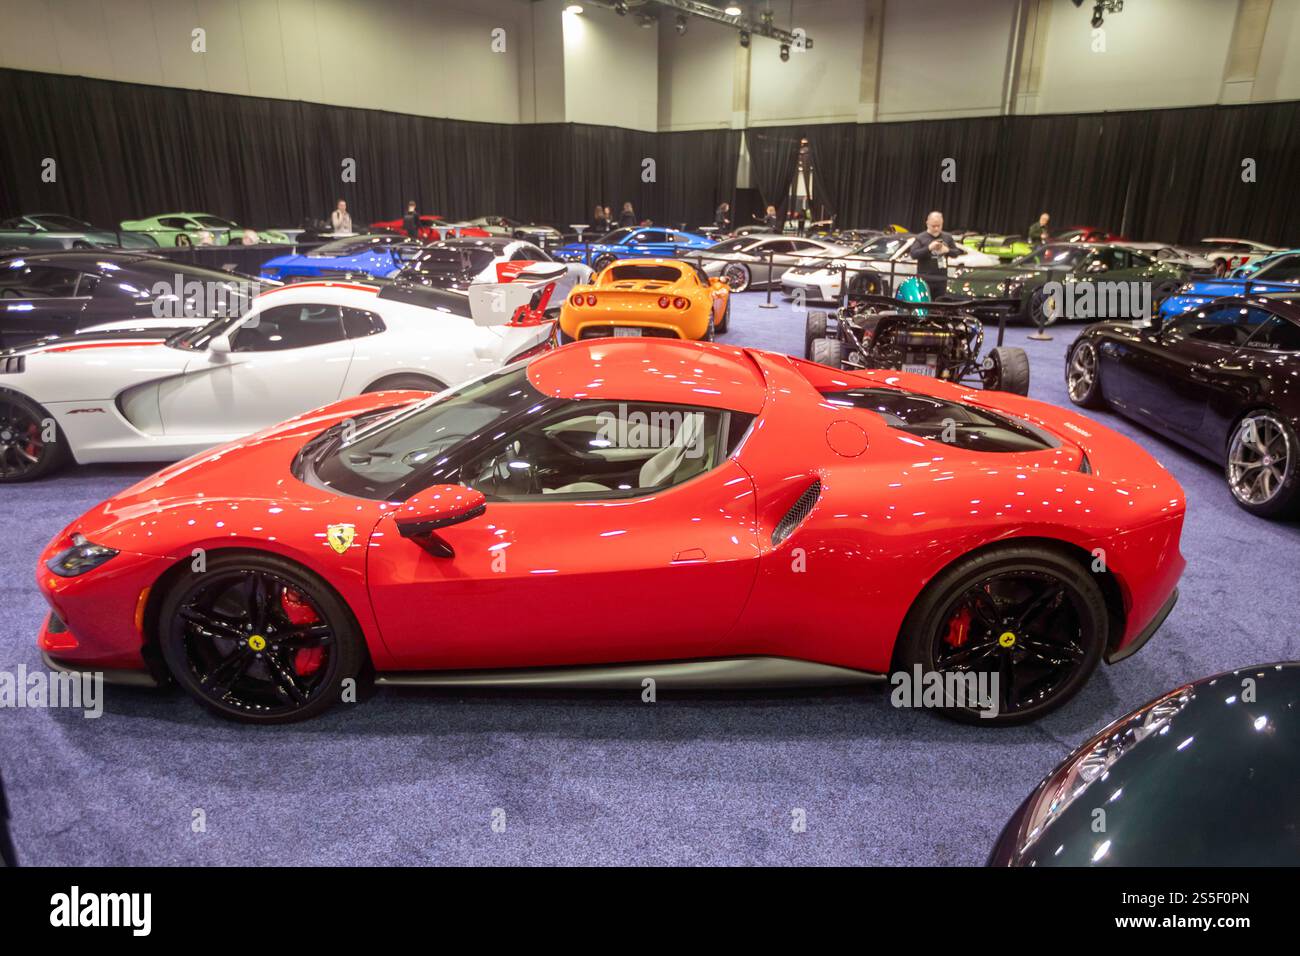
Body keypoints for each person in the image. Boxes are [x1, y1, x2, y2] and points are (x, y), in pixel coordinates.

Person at [907, 211, 961, 297]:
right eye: (933, 226)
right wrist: (929, 248)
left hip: (941, 279)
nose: (936, 229)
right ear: (927, 223)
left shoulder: (947, 237)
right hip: (925, 278)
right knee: (925, 304)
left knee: (940, 306)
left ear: (942, 224)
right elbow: (913, 254)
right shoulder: (921, 237)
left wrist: (947, 250)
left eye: (939, 226)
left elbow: (956, 253)